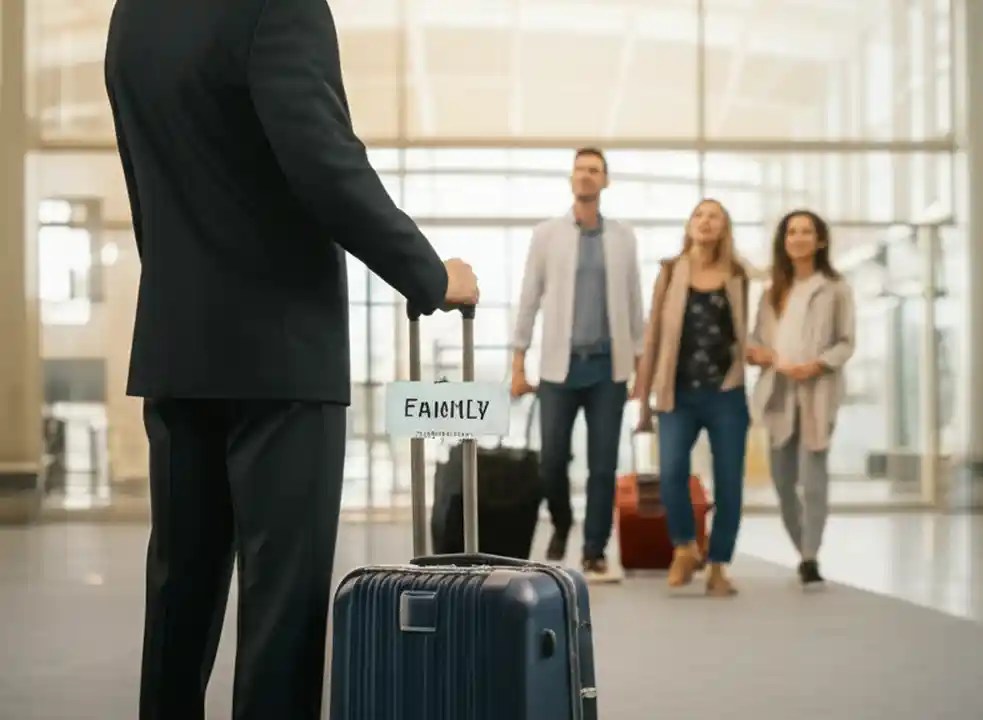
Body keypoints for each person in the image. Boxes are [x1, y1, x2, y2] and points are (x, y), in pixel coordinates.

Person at [104, 1, 479, 717]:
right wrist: (431, 276)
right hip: (281, 352)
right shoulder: (278, 6)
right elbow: (326, 164)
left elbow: (141, 177)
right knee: (282, 604)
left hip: (178, 342)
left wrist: (182, 293)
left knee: (179, 591)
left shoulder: (135, 13)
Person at [511, 148, 645, 581]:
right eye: (580, 169)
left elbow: (633, 303)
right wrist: (518, 362)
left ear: (605, 182)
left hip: (608, 369)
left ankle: (593, 549)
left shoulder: (623, 237)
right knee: (551, 460)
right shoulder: (547, 234)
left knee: (603, 464)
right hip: (558, 368)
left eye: (594, 170)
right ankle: (563, 521)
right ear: (572, 179)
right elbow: (529, 297)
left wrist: (640, 367)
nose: (585, 176)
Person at [634, 199, 751, 597]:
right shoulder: (670, 271)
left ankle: (719, 564)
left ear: (724, 227)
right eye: (699, 215)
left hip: (727, 393)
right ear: (689, 225)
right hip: (676, 393)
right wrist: (642, 392)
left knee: (730, 483)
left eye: (714, 216)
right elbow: (652, 336)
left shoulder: (737, 274)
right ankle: (685, 546)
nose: (705, 221)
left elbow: (746, 329)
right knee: (670, 474)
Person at [746, 210, 855, 587]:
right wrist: (757, 353)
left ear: (820, 240)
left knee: (813, 478)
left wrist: (818, 365)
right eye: (792, 232)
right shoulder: (772, 291)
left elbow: (846, 342)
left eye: (807, 231)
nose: (799, 237)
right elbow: (756, 340)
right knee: (782, 480)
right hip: (778, 392)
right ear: (784, 241)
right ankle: (801, 547)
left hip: (816, 391)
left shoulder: (835, 288)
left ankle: (810, 557)